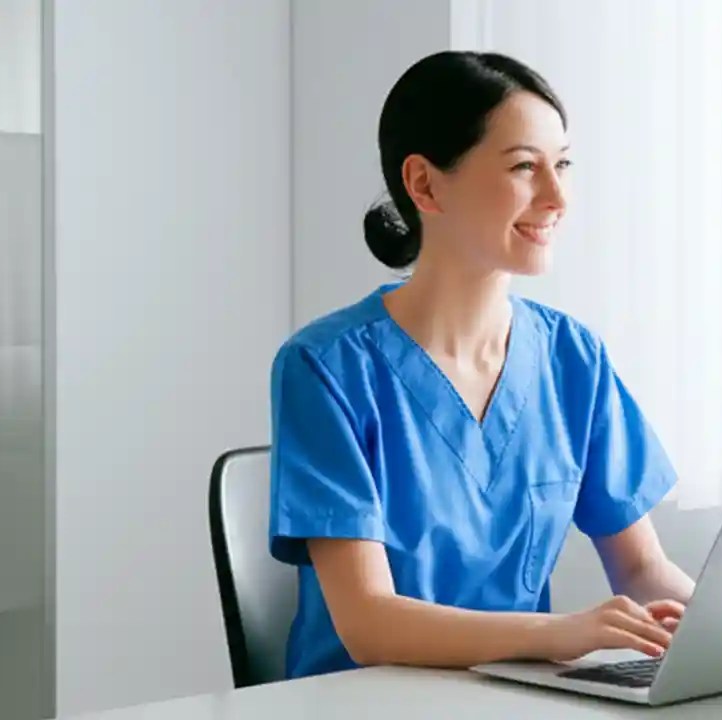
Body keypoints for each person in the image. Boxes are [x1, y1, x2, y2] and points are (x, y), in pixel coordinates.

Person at [268, 50, 695, 680]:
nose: (557, 197)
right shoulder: (325, 367)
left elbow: (640, 569)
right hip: (361, 701)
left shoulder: (572, 356)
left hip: (513, 697)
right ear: (425, 185)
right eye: (525, 166)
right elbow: (367, 622)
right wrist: (563, 632)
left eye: (564, 165)